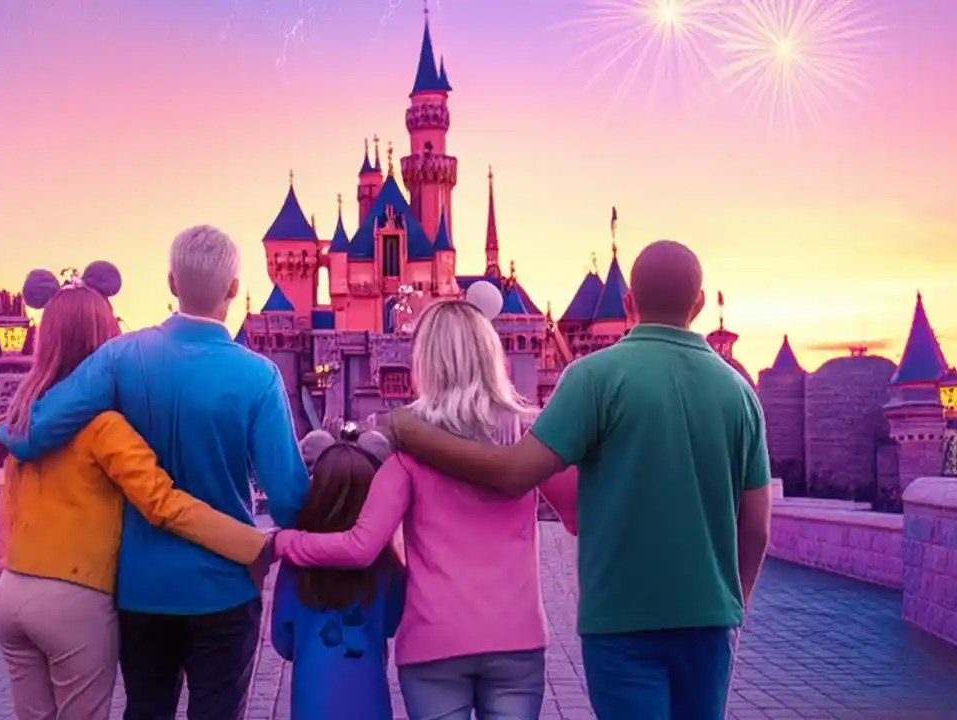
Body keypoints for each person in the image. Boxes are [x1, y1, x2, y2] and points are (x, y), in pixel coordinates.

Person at [385, 240, 773, 720]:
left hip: (622, 620)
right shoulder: (739, 393)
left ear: (628, 301)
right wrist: (735, 608)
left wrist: (412, 432)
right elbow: (756, 527)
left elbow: (514, 473)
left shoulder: (594, 377)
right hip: (710, 622)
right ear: (698, 304)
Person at [0, 226, 310, 720]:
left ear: (171, 283)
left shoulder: (122, 356)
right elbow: (290, 500)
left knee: (146, 710)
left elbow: (33, 434)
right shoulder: (259, 376)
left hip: (142, 591)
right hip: (224, 588)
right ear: (233, 289)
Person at [275, 300, 578, 720]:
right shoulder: (529, 441)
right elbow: (577, 513)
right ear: (492, 356)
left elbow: (361, 547)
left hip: (434, 644)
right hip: (516, 639)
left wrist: (284, 542)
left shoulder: (408, 455)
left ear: (425, 364)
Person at [271, 440, 405, 720]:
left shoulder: (295, 561)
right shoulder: (385, 563)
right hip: (369, 695)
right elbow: (392, 622)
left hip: (311, 696)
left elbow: (283, 637)